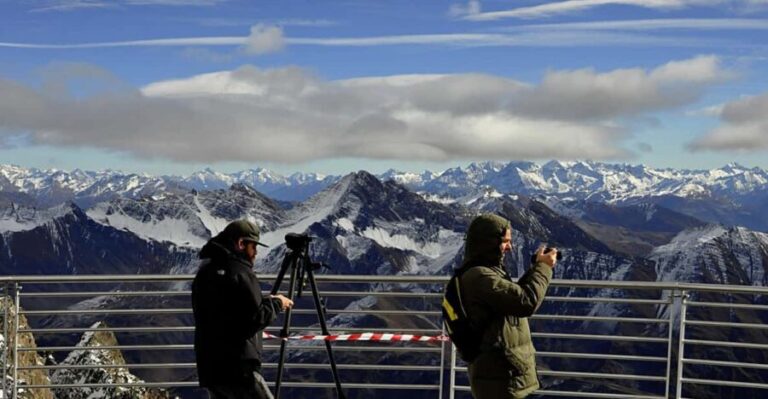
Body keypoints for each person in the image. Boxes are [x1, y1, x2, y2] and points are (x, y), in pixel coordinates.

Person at [192, 219, 294, 399]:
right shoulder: (240, 272)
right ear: (241, 244)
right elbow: (255, 318)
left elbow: (226, 311)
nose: (255, 254)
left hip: (210, 366)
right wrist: (278, 303)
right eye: (253, 247)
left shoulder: (205, 270)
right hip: (239, 367)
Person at [459, 214, 558, 399]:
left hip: (501, 374)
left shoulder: (484, 272)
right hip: (500, 377)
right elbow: (525, 302)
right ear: (488, 242)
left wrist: (536, 268)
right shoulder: (480, 277)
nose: (510, 247)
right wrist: (544, 268)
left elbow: (512, 296)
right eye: (505, 241)